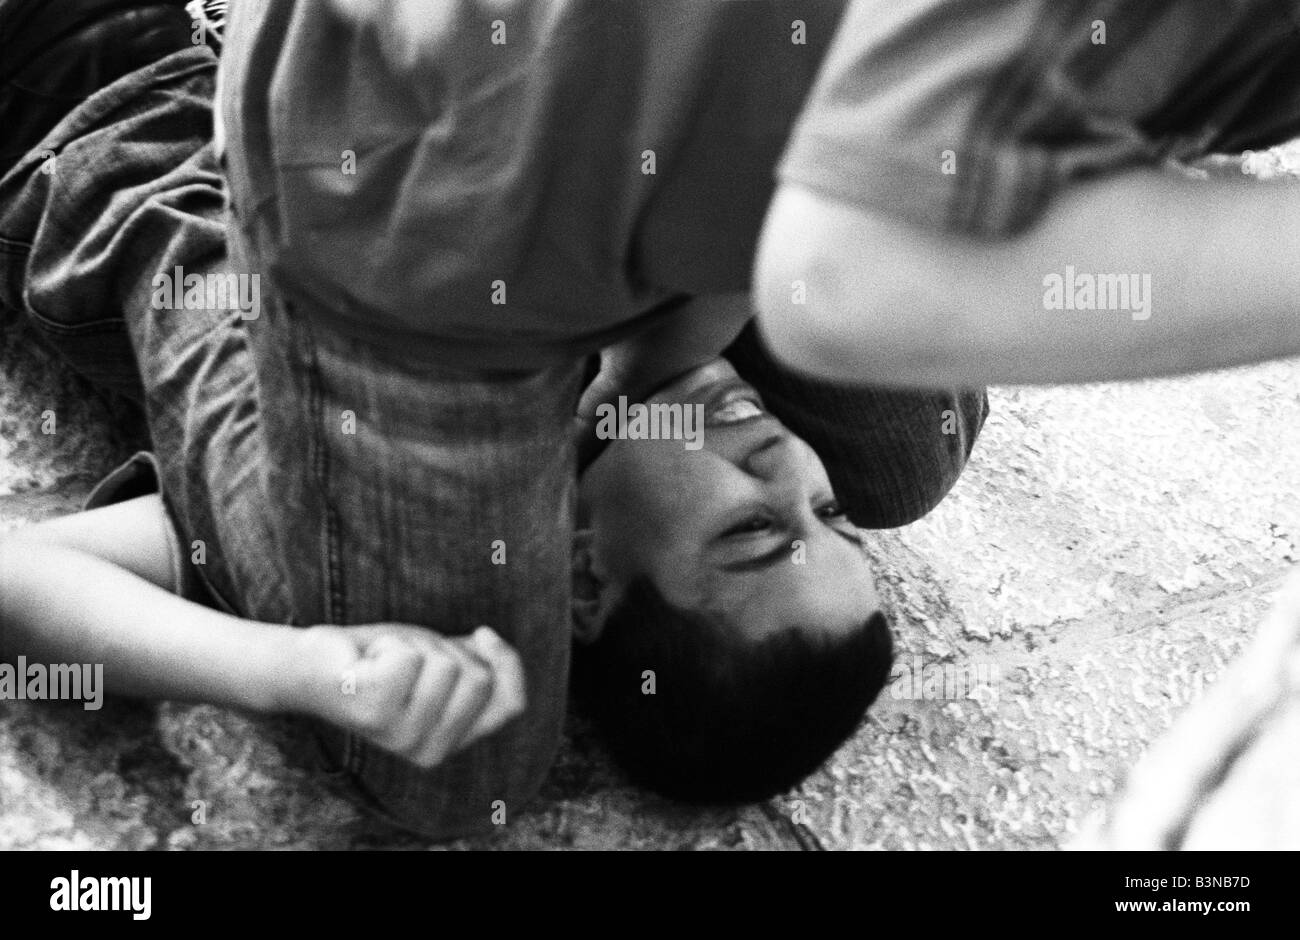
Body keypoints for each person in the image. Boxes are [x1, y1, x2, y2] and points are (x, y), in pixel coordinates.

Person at [0, 0, 985, 836]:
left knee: (464, 779)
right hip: (296, 59)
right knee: (907, 456)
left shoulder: (375, 542)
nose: (785, 462)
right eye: (825, 510)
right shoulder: (677, 356)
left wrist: (287, 669)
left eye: (754, 528)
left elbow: (19, 584)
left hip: (87, 67)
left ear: (588, 583)